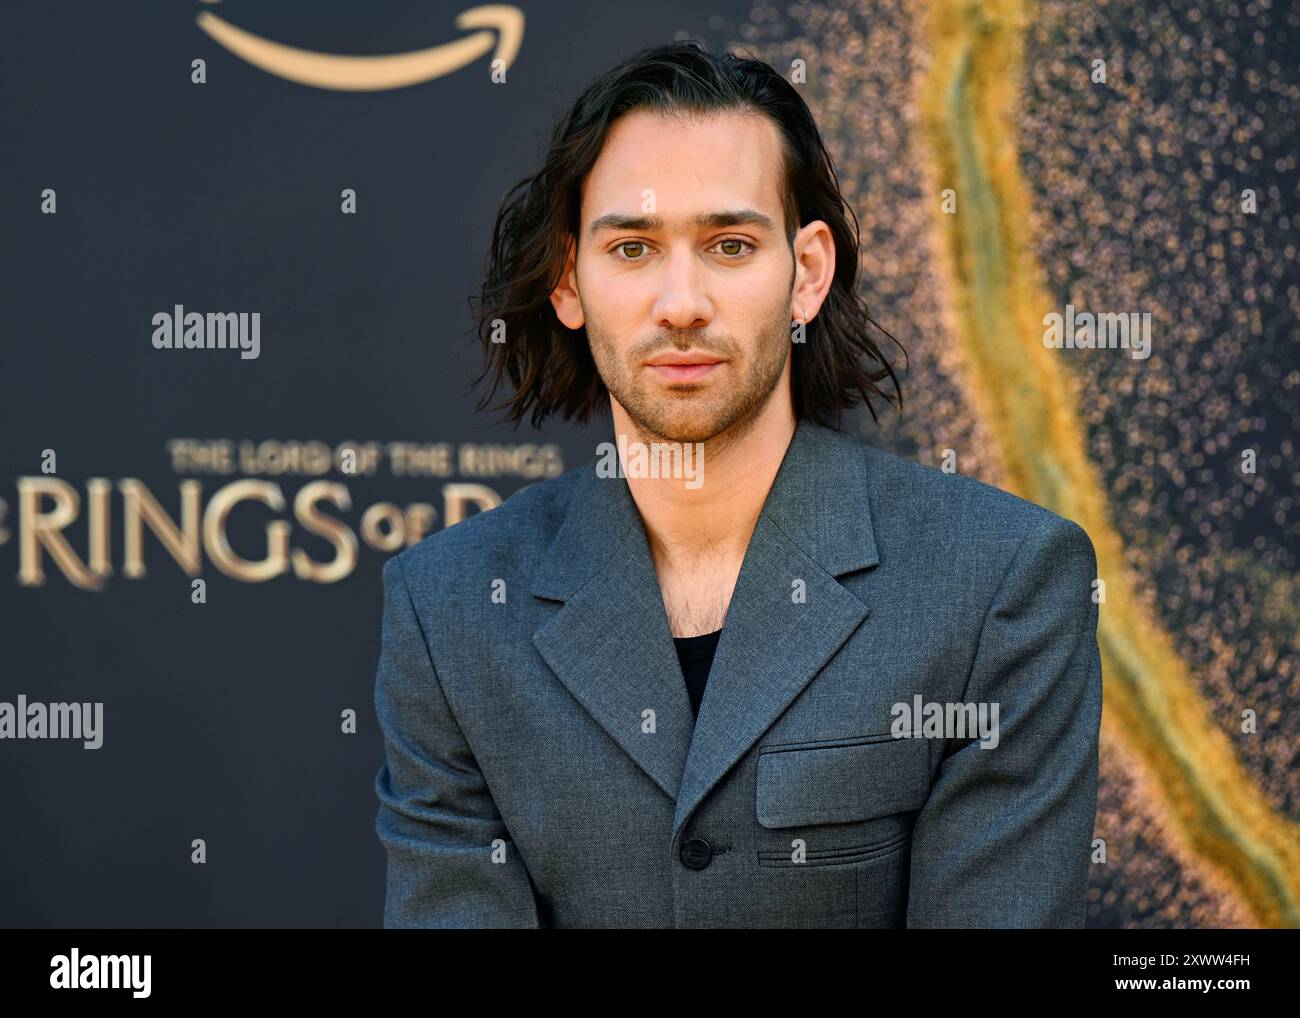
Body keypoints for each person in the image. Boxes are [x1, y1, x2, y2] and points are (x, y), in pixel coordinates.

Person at [372, 40, 1102, 928]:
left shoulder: (1002, 586)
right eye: (633, 247)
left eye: (729, 244)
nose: (682, 302)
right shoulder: (449, 610)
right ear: (570, 281)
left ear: (808, 275)